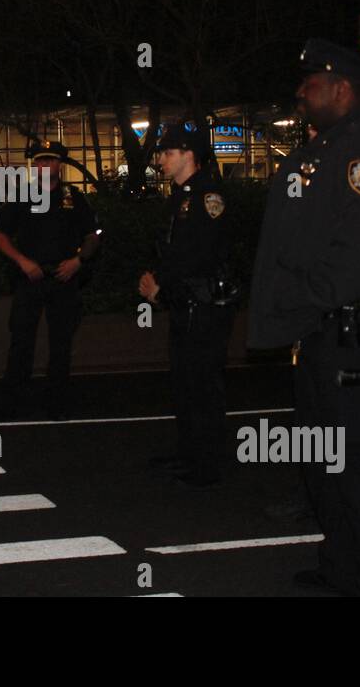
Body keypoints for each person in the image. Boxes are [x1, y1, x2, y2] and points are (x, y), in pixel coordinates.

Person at [248, 38, 360, 596]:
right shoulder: (323, 149)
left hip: (358, 331)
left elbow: (359, 254)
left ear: (342, 87)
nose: (300, 91)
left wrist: (295, 299)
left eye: (310, 81)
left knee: (356, 463)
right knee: (324, 459)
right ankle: (342, 567)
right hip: (322, 327)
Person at [139, 123, 237, 489]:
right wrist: (159, 285)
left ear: (188, 154)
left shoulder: (208, 195)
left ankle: (207, 462)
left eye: (167, 152)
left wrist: (160, 292)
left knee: (202, 384)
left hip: (205, 303)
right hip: (185, 303)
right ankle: (188, 452)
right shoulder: (180, 196)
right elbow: (170, 251)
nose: (161, 159)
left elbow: (200, 256)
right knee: (183, 381)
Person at [0, 141, 101, 420]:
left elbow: (92, 235)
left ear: (59, 165)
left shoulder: (74, 198)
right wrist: (22, 260)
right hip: (30, 277)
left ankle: (58, 403)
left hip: (64, 277)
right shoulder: (21, 196)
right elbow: (0, 235)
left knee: (61, 342)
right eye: (40, 161)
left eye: (50, 161)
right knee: (21, 341)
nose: (44, 166)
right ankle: (13, 402)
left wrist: (78, 262)